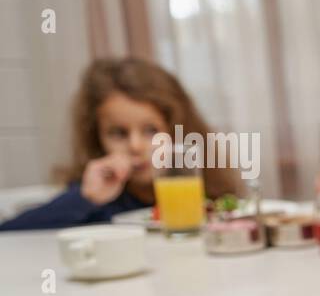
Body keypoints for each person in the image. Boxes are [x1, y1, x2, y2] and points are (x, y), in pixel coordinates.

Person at [0, 58, 239, 231]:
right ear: (97, 139)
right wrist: (85, 198)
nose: (136, 146)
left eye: (151, 131)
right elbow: (9, 235)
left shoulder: (207, 197)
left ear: (177, 133)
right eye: (118, 134)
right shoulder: (96, 203)